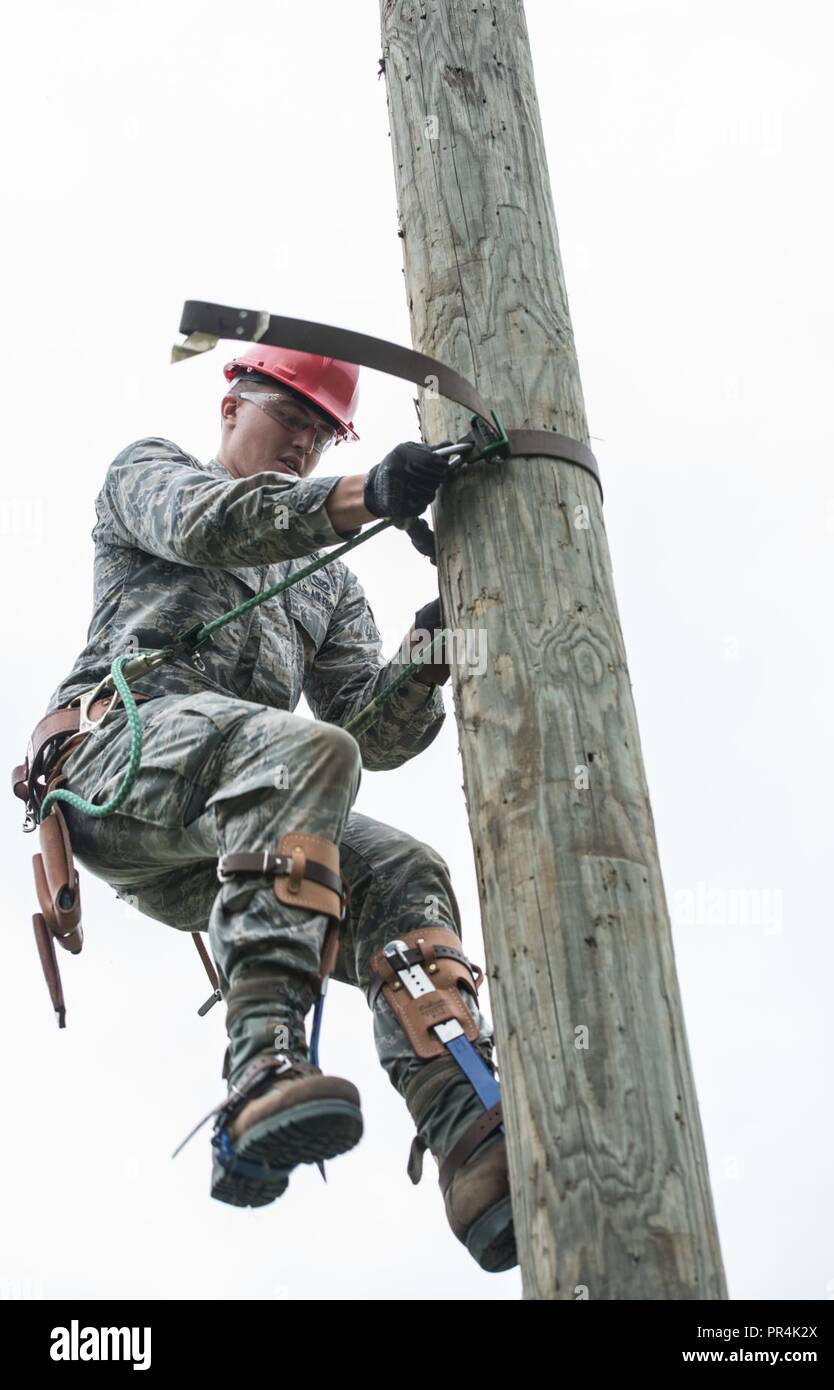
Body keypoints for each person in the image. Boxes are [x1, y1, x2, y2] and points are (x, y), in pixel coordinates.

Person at [38, 345, 515, 1273]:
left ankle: (471, 1131)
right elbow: (218, 525)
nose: (303, 444)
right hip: (116, 766)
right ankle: (261, 1067)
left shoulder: (329, 585)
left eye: (321, 434)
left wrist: (431, 644)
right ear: (231, 406)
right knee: (299, 753)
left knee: (403, 872)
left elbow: (364, 733)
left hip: (230, 839)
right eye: (288, 420)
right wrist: (365, 495)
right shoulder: (148, 474)